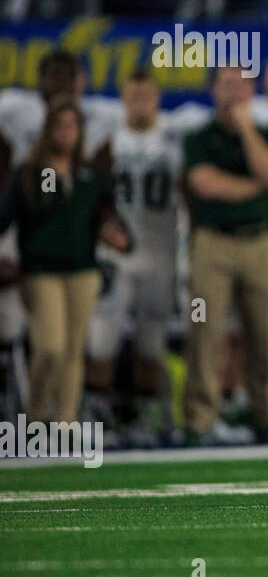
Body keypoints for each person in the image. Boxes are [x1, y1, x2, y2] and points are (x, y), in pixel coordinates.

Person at [0, 99, 131, 422]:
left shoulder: (91, 174)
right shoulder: (30, 174)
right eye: (59, 126)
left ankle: (66, 421)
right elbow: (5, 217)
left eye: (72, 126)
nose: (66, 133)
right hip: (41, 271)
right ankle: (36, 415)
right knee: (50, 347)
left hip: (82, 269)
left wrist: (118, 237)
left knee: (74, 350)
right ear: (47, 131)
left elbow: (112, 220)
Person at [182, 65, 268, 443]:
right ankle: (199, 420)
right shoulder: (198, 135)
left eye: (241, 86)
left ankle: (266, 415)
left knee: (266, 334)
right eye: (226, 85)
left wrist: (246, 128)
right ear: (213, 91)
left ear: (252, 91)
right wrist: (254, 185)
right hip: (212, 242)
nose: (233, 93)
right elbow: (205, 185)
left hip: (260, 243)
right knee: (206, 332)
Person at [86, 70, 186, 429]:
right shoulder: (105, 135)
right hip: (115, 258)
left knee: (151, 341)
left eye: (146, 96)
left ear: (157, 98)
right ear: (122, 98)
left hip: (161, 255)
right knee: (102, 340)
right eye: (133, 96)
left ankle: (144, 420)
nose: (140, 103)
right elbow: (89, 193)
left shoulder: (176, 134)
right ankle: (96, 418)